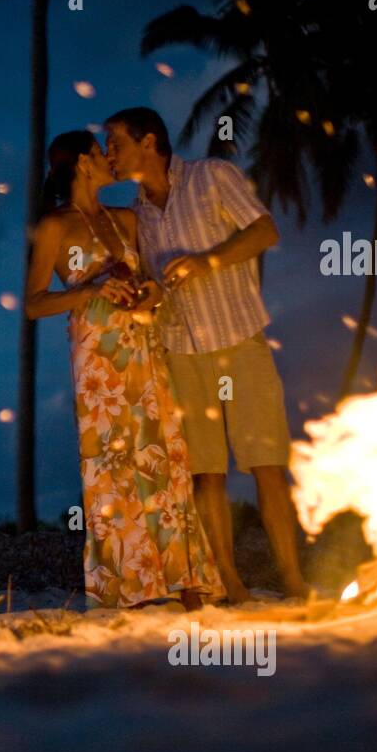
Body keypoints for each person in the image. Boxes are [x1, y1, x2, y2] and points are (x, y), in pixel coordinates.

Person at [104, 106, 314, 604]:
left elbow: (264, 231)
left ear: (149, 141)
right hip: (182, 348)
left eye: (115, 142)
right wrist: (151, 294)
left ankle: (294, 580)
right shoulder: (138, 214)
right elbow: (159, 283)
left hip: (239, 337)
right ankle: (234, 586)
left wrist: (208, 260)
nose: (109, 153)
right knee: (207, 473)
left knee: (267, 463)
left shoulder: (211, 176)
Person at [24, 130, 225, 611]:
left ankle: (187, 579)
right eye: (99, 152)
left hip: (143, 346)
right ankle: (126, 585)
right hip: (97, 360)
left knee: (165, 455)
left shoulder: (125, 220)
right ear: (80, 165)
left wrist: (153, 292)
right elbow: (34, 304)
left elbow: (150, 279)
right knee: (112, 465)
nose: (108, 157)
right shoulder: (54, 227)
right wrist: (91, 289)